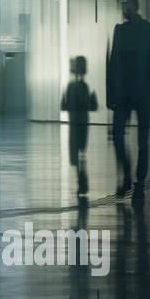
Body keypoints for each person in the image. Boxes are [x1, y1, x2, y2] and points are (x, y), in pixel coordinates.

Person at [106, 0, 150, 199]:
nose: (124, 9)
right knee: (117, 136)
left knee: (142, 141)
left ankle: (139, 181)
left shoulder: (148, 29)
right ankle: (127, 175)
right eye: (122, 5)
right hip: (123, 94)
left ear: (135, 6)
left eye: (126, 4)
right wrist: (110, 94)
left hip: (142, 94)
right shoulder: (119, 30)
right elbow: (112, 63)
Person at [60, 55, 98, 199]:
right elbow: (91, 106)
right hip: (83, 122)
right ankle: (82, 179)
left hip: (74, 123)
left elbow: (64, 106)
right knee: (82, 152)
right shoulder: (84, 86)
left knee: (76, 153)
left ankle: (81, 180)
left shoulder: (71, 86)